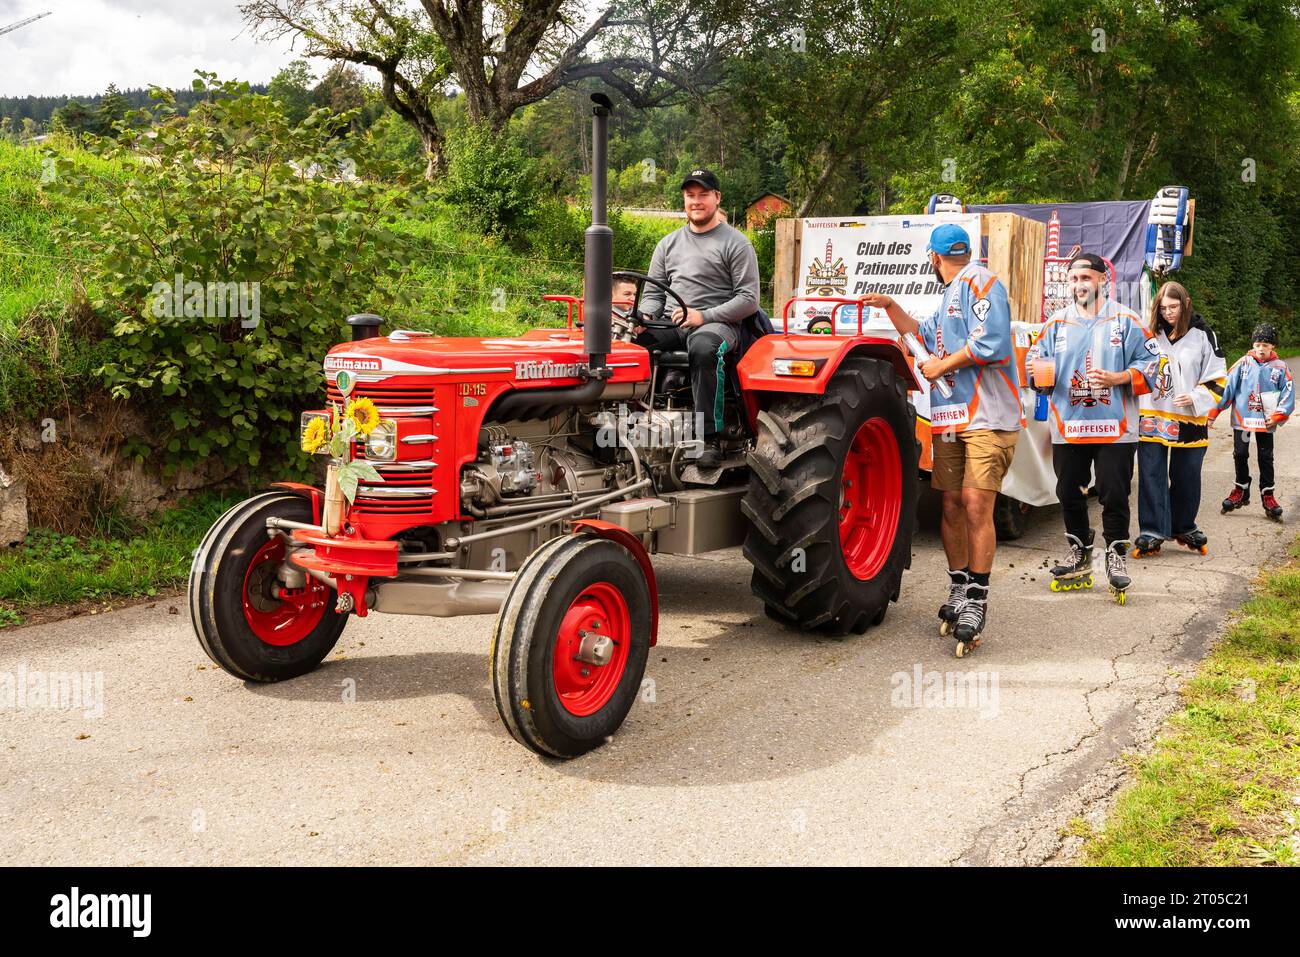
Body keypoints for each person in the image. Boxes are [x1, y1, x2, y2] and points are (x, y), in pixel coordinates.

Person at [862, 223, 1022, 653]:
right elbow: (918, 331)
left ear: (934, 258)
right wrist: (891, 306)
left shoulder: (983, 283)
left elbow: (990, 344)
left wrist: (942, 367)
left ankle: (978, 598)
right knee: (949, 504)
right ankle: (958, 586)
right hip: (952, 419)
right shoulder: (950, 294)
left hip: (989, 417)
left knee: (975, 503)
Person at [1026, 252, 1165, 603]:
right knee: (1067, 493)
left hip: (1114, 428)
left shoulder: (1126, 320)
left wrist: (1119, 376)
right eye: (1073, 280)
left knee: (1113, 492)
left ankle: (1116, 556)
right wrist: (1036, 376)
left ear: (1103, 280)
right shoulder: (1055, 323)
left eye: (1085, 278)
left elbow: (1154, 364)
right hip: (1068, 426)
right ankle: (1080, 550)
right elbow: (1034, 360)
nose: (1078, 286)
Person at [636, 168, 762, 468]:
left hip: (720, 323)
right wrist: (645, 316)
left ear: (717, 198)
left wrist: (703, 316)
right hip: (673, 321)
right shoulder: (667, 244)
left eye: (703, 194)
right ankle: (633, 424)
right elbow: (654, 294)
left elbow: (749, 300)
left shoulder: (736, 243)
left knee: (705, 348)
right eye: (690, 195)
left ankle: (709, 438)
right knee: (633, 344)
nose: (696, 201)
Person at [1133, 281, 1226, 556]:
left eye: (1173, 307)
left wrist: (1197, 397)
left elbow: (1219, 378)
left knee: (1187, 475)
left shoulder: (1203, 335)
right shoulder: (1149, 334)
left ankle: (1183, 525)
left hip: (1189, 418)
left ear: (1185, 304)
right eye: (1163, 308)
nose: (1168, 313)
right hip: (1152, 413)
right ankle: (1152, 530)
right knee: (1151, 474)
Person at [1209, 322, 1294, 520]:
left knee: (1265, 457)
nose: (1261, 348)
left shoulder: (1280, 368)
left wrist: (1278, 415)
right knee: (1240, 453)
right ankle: (1241, 489)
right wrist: (1213, 412)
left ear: (1273, 346)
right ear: (1253, 344)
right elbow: (1226, 388)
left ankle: (1268, 494)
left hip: (1266, 422)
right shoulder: (1243, 363)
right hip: (1243, 420)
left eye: (1265, 344)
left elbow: (1288, 392)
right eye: (1257, 344)